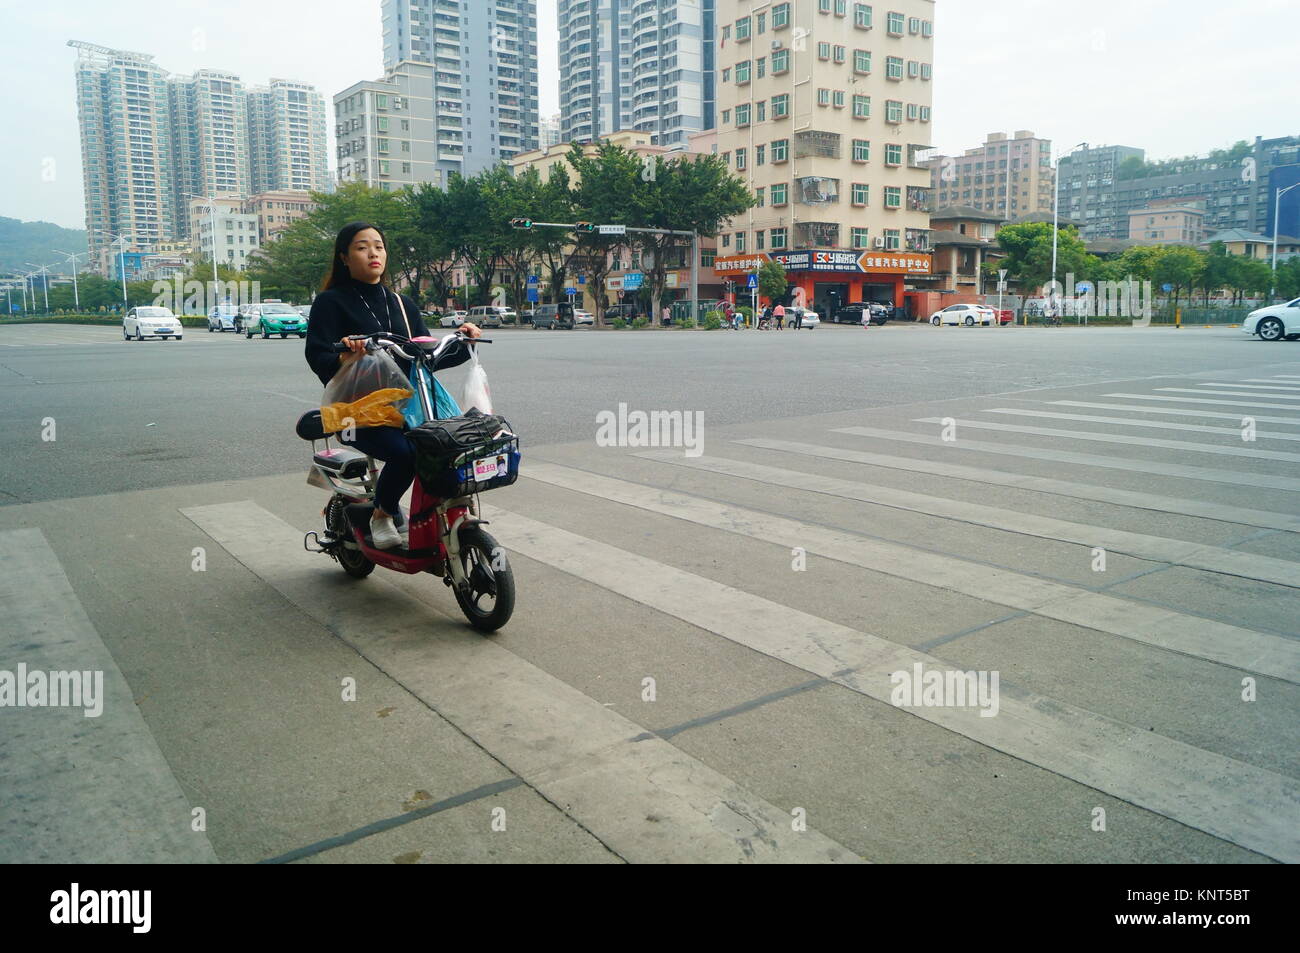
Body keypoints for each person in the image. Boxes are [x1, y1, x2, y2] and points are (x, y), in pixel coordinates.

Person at [305, 221, 481, 549]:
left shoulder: (402, 303)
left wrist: (463, 344)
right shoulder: (331, 302)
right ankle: (382, 514)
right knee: (407, 454)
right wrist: (344, 355)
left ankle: (428, 515)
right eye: (361, 247)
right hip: (356, 413)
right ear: (344, 257)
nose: (373, 253)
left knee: (446, 448)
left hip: (407, 410)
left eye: (379, 246)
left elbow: (424, 358)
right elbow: (317, 354)